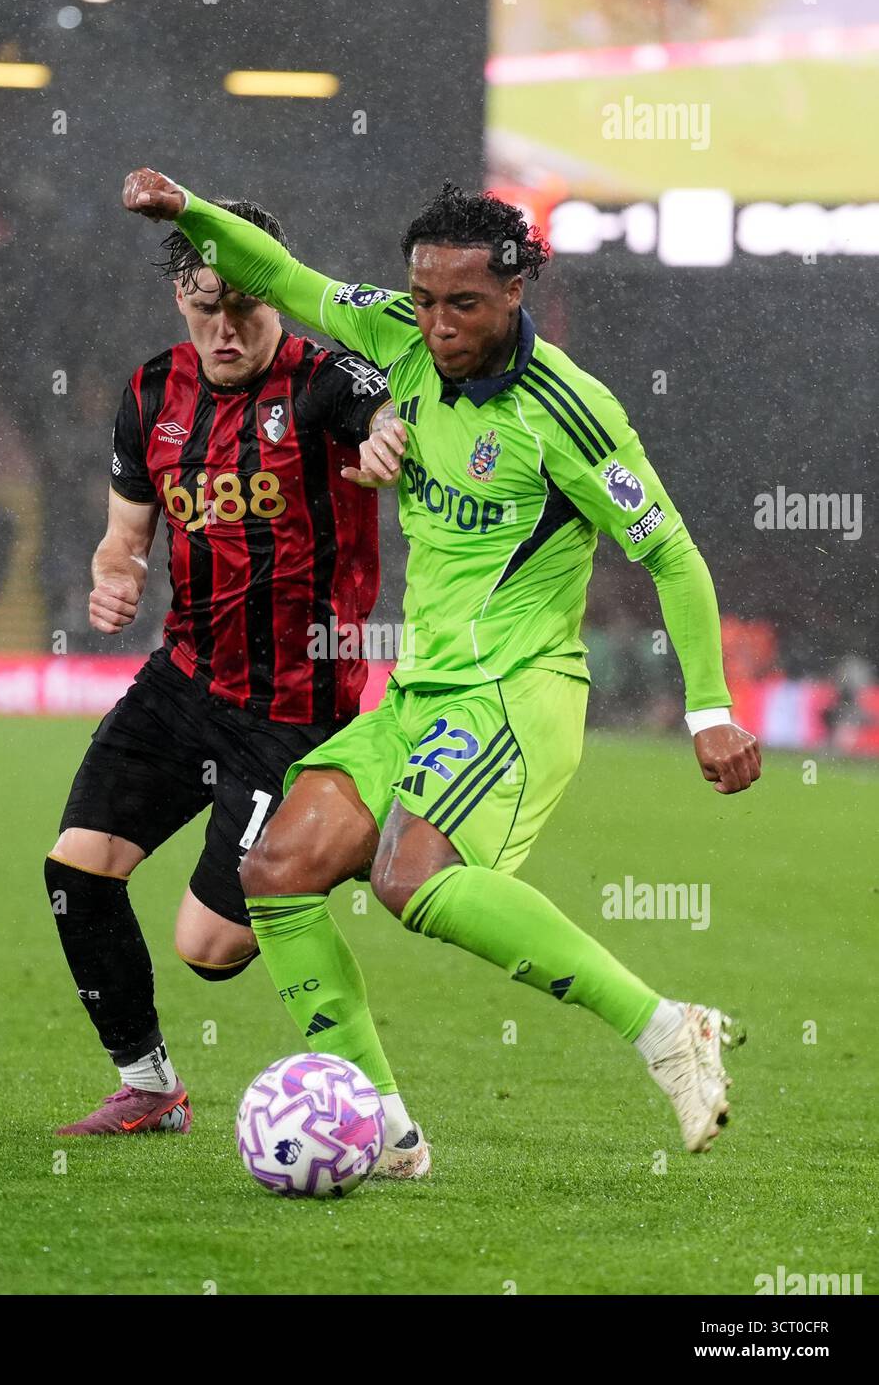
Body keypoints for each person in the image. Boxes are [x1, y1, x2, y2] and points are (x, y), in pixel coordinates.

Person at [122, 167, 763, 1155]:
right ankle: (380, 1126)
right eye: (423, 300)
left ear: (515, 291)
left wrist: (708, 707)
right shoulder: (392, 338)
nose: (437, 324)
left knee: (408, 877)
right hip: (421, 691)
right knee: (277, 870)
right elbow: (284, 274)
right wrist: (188, 212)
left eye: (462, 303)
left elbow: (669, 551)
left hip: (518, 692)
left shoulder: (570, 412)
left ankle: (668, 1029)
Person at [46, 199, 428, 1174]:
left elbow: (383, 409)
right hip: (181, 682)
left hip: (294, 710)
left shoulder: (325, 381)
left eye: (247, 307)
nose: (225, 328)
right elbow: (125, 534)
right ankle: (148, 1085)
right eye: (206, 305)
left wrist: (387, 436)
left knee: (209, 949)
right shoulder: (150, 393)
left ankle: (334, 829)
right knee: (75, 875)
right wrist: (113, 573)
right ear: (180, 294)